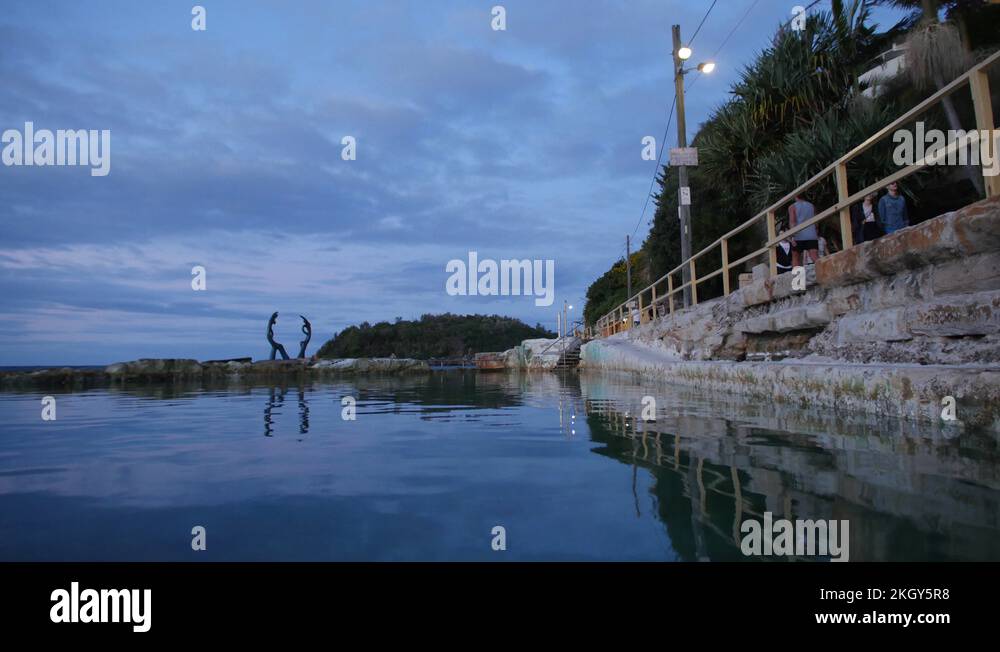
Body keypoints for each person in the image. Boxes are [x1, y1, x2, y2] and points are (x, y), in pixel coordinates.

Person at [788, 193, 819, 266]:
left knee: (796, 257)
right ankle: (825, 274)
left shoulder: (792, 207)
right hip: (811, 234)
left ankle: (798, 277)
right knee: (815, 256)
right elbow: (816, 223)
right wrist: (816, 233)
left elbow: (793, 222)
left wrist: (792, 237)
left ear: (795, 196)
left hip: (799, 235)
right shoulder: (812, 206)